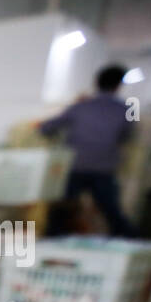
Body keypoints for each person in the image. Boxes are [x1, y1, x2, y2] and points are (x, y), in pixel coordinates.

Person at [39, 65, 136, 237]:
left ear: (96, 83)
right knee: (111, 210)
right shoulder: (126, 109)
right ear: (119, 86)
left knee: (61, 210)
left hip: (75, 166)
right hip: (104, 168)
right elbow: (127, 136)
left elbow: (46, 128)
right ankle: (130, 243)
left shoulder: (80, 107)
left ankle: (50, 242)